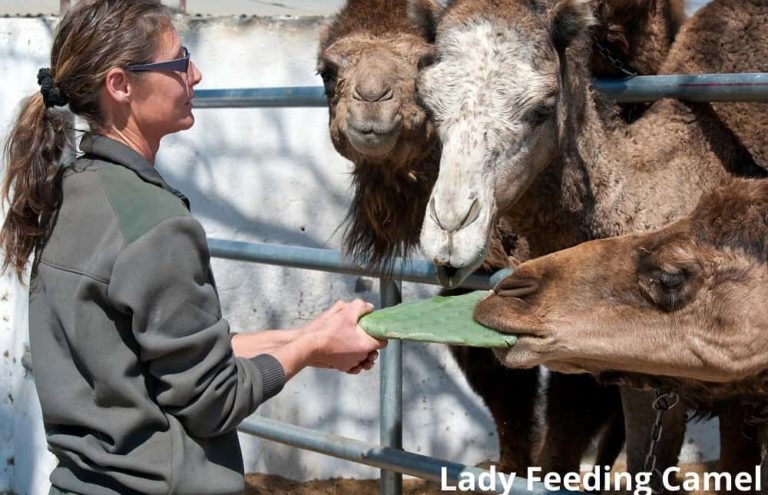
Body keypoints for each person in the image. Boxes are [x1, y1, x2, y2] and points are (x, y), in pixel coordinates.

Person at [0, 1, 387, 494]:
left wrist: (309, 338)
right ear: (120, 85)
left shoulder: (67, 192)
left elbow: (162, 359)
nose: (196, 74)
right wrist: (310, 349)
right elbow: (214, 399)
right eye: (179, 62)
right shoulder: (155, 224)